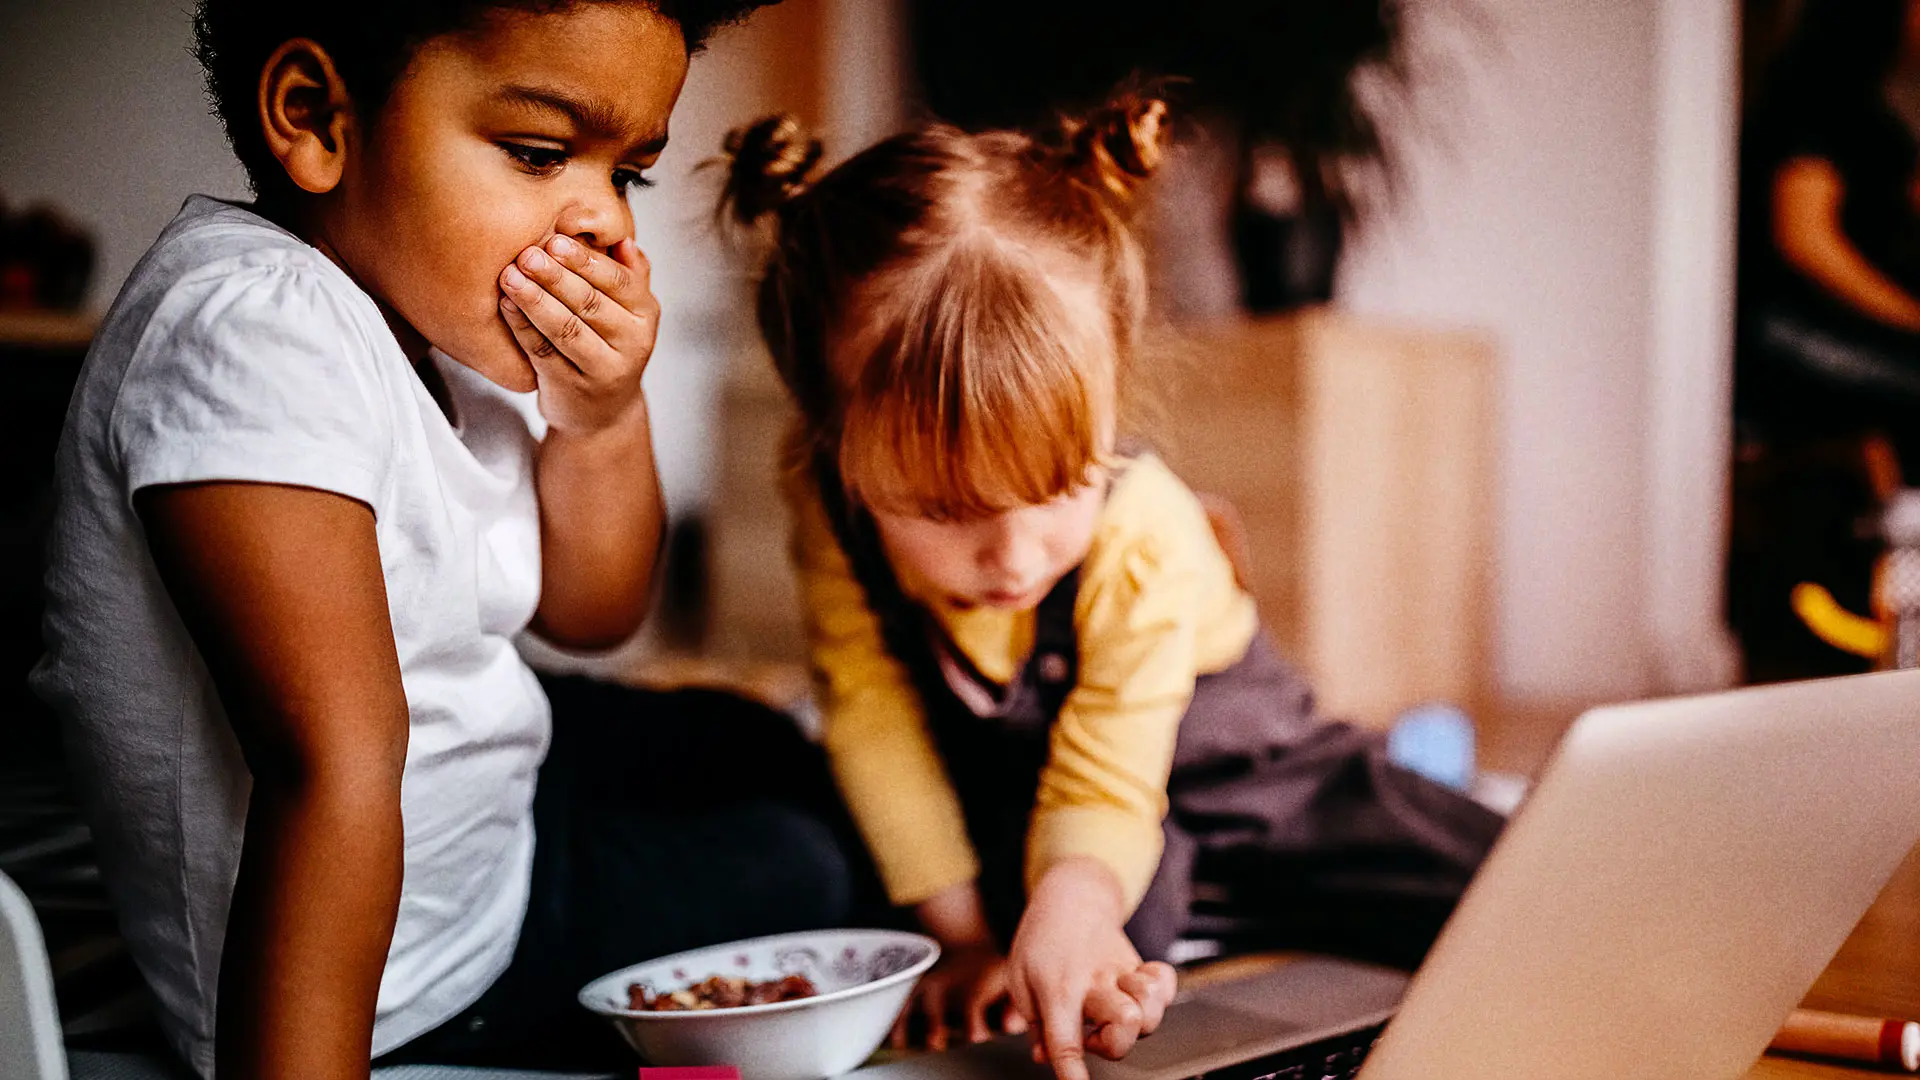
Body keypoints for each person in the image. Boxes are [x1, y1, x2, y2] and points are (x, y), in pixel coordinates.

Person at [28, 3, 878, 1077]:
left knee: (762, 743)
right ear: (316, 119)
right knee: (803, 865)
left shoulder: (442, 306)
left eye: (630, 174)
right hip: (419, 967)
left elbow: (591, 613)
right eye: (539, 153)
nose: (606, 225)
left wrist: (602, 414)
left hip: (487, 780)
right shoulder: (255, 334)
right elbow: (330, 770)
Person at [718, 94, 1503, 1080]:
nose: (1014, 556)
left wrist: (1072, 904)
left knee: (1491, 882)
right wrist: (963, 935)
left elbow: (1111, 772)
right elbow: (869, 710)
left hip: (1247, 774)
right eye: (946, 510)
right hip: (1045, 793)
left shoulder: (1146, 527)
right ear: (834, 444)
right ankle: (1146, 916)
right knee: (1003, 925)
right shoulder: (826, 503)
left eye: (1057, 488)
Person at [1739, 0, 1920, 466]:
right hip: (1782, 327)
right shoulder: (1820, 95)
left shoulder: (1872, 107)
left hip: (1823, 322)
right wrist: (1910, 315)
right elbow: (1804, 240)